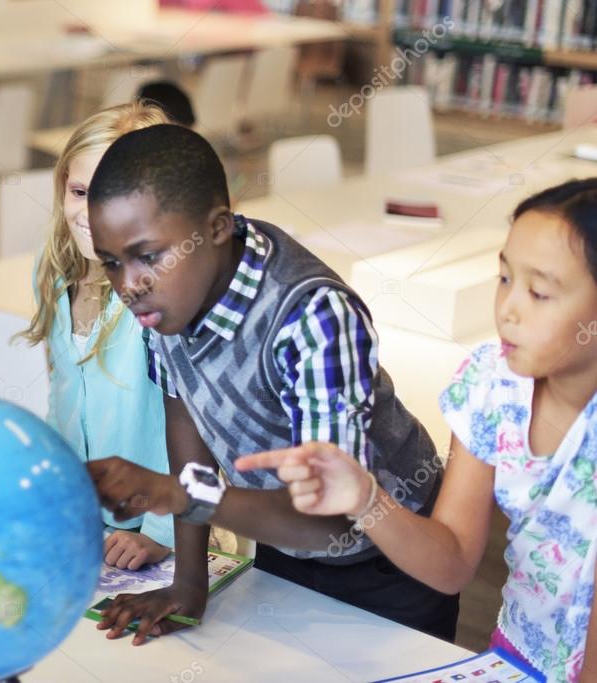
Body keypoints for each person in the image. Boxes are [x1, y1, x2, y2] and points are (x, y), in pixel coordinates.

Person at [83, 124, 459, 644]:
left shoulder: (313, 316)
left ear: (217, 227)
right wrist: (188, 583)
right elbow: (184, 413)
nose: (129, 285)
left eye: (148, 256)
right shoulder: (171, 295)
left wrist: (172, 494)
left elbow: (335, 518)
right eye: (111, 263)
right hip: (283, 538)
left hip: (390, 563)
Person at [243, 179, 597, 682]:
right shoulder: (493, 384)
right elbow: (451, 563)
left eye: (539, 292)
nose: (509, 309)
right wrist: (365, 497)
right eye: (503, 278)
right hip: (520, 655)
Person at [21, 103, 175, 570]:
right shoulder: (53, 274)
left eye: (112, 195)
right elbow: (64, 399)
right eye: (80, 190)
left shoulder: (166, 293)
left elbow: (199, 427)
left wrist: (164, 532)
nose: (90, 212)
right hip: (89, 515)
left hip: (159, 520)